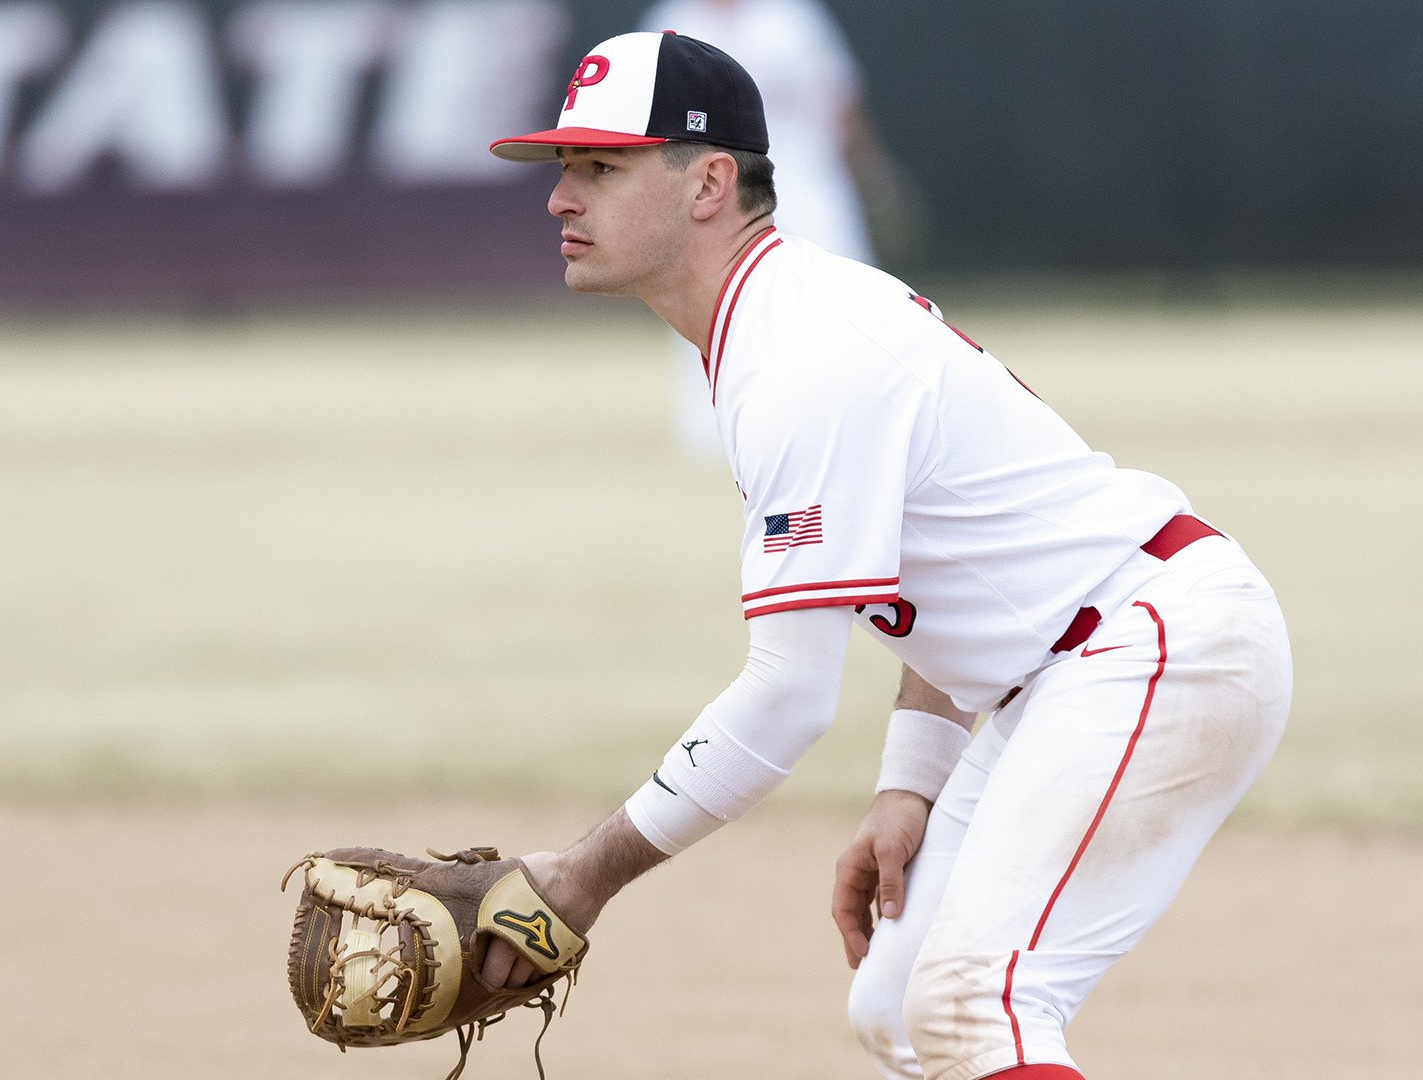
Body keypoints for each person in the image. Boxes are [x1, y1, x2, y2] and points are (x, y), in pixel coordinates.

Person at [484, 31, 1292, 1080]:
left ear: (710, 183)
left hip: (1153, 648)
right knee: (903, 1010)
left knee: (974, 1001)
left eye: (600, 167)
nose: (560, 198)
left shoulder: (801, 357)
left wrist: (582, 877)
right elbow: (955, 563)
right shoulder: (776, 323)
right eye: (563, 167)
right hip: (1080, 662)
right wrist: (913, 782)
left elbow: (788, 697)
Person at [634, 0, 881, 460]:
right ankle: (711, 425)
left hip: (802, 171)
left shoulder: (789, 17)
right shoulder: (675, 21)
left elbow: (837, 98)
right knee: (701, 290)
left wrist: (866, 169)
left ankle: (863, 404)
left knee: (847, 287)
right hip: (711, 178)